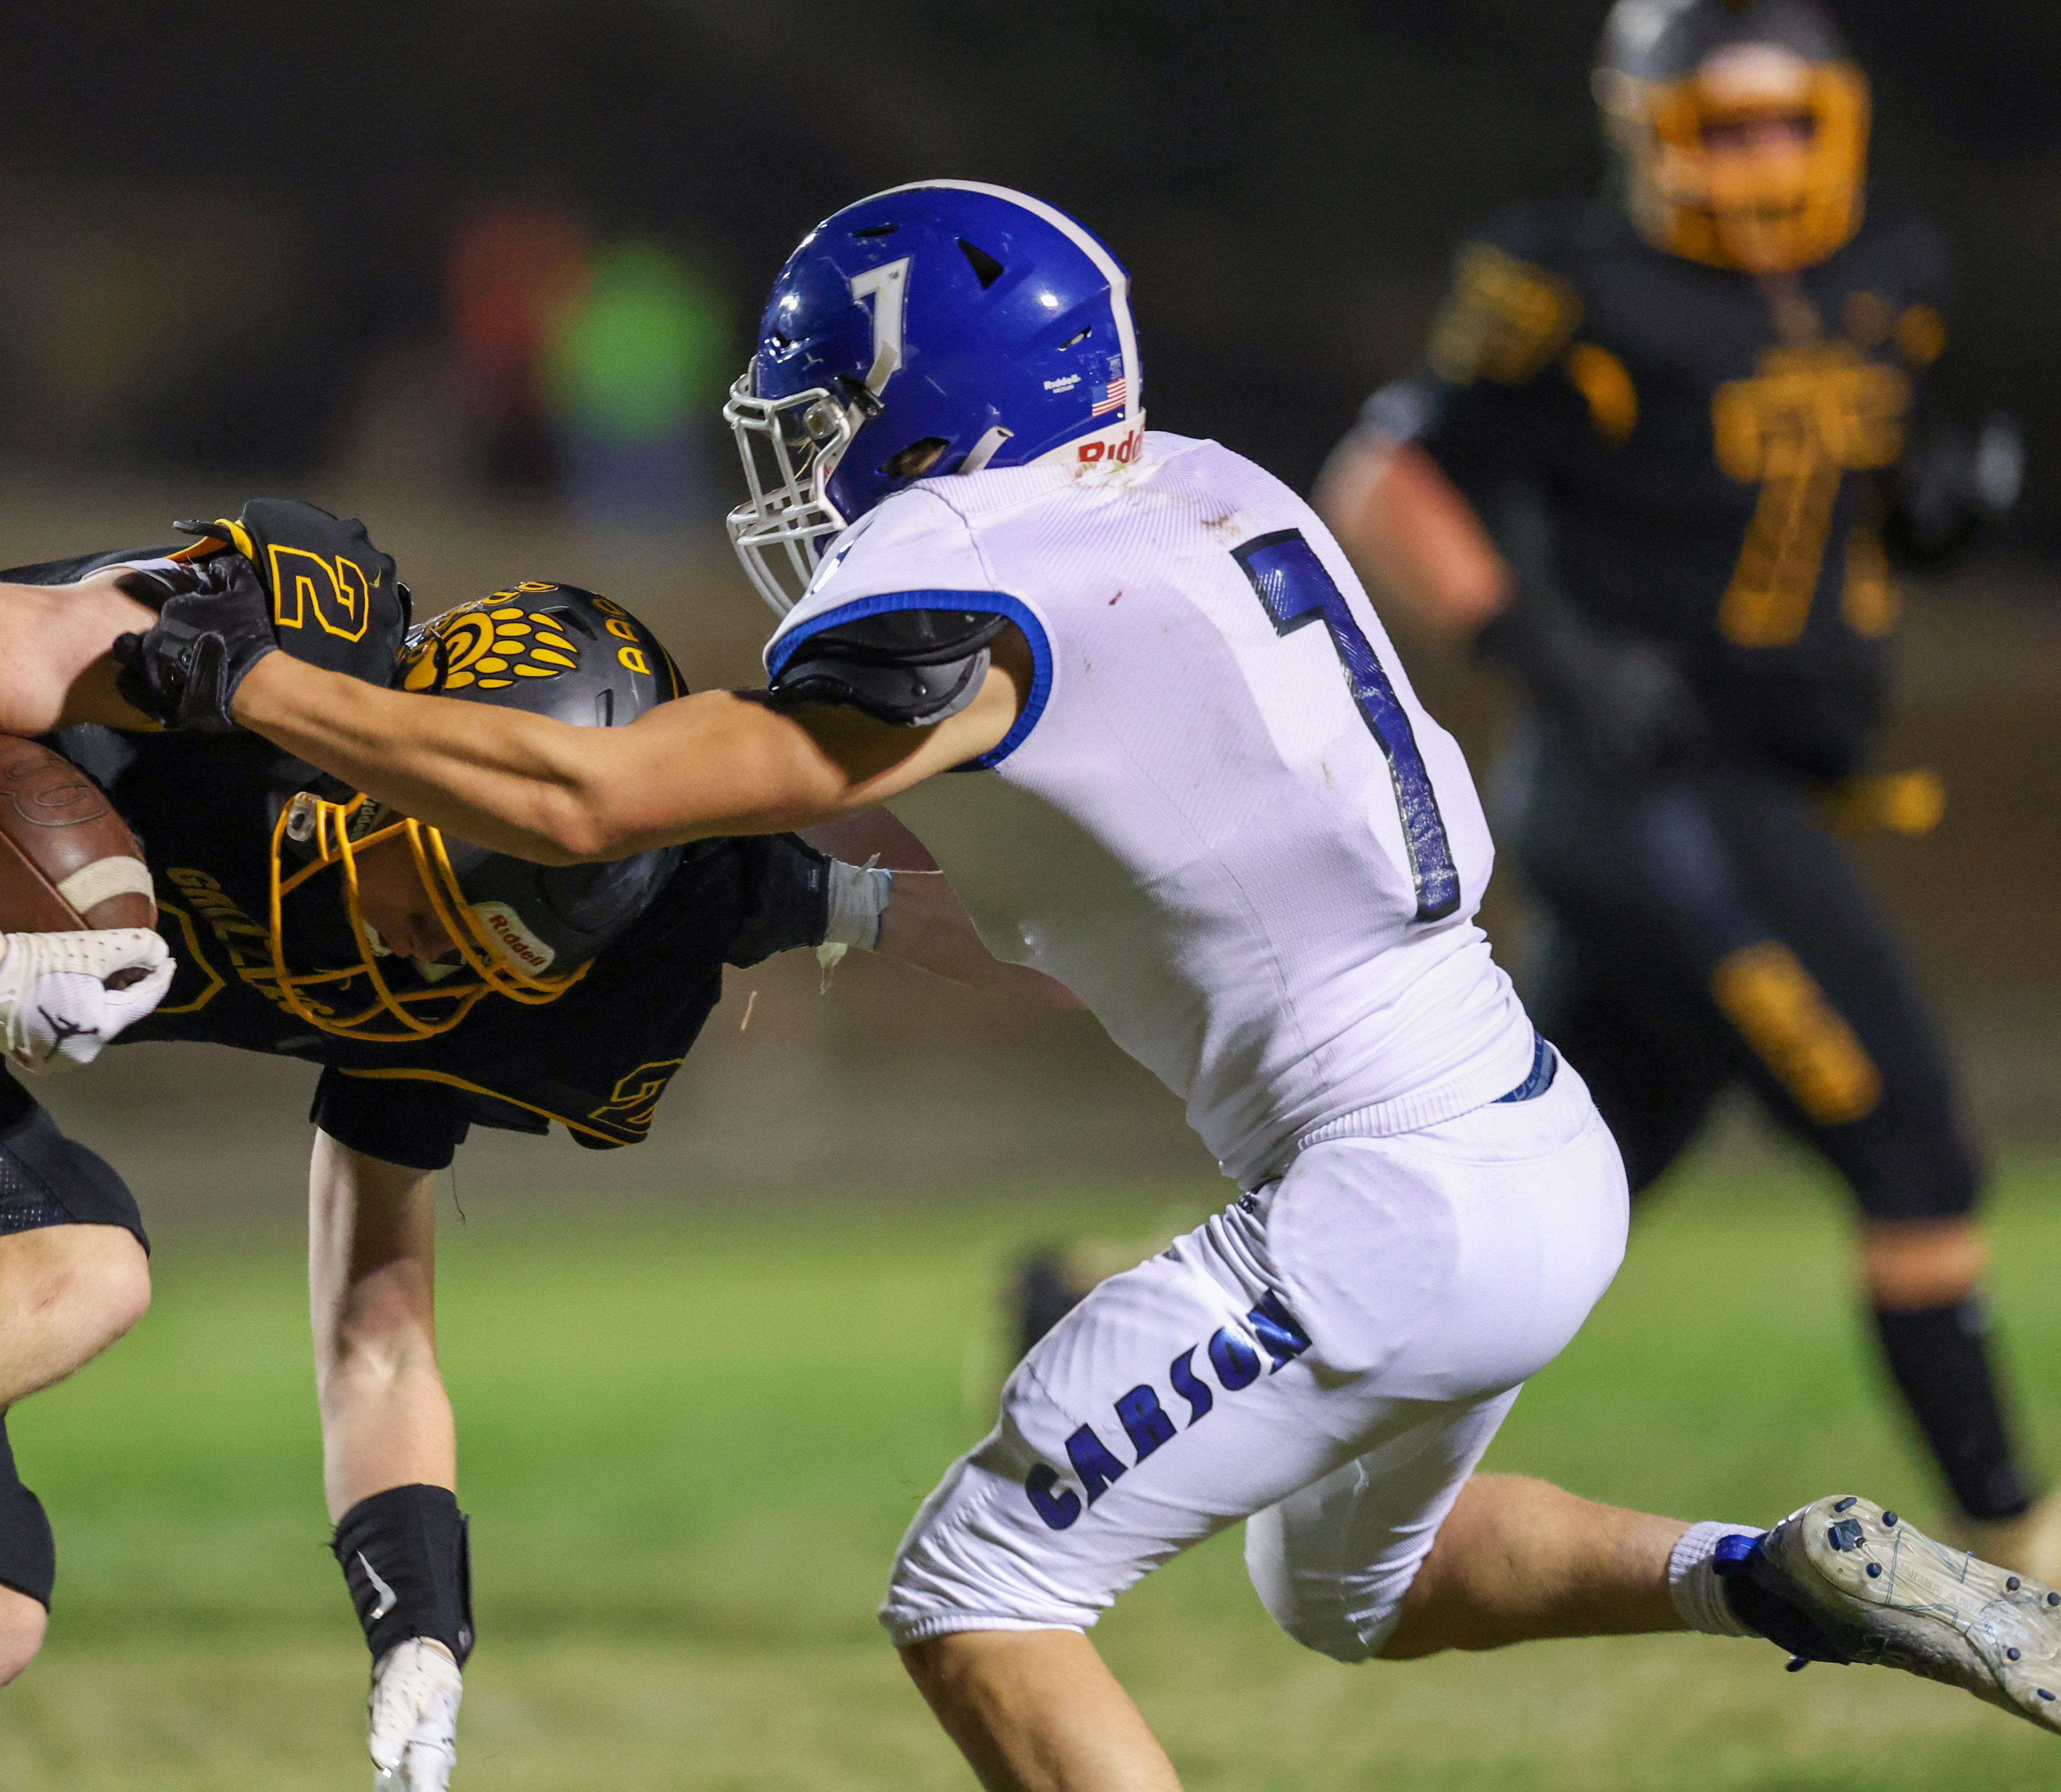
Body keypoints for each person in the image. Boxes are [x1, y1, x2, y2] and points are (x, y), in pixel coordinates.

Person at [109, 180, 2061, 1787]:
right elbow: (1090, 837)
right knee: (1353, 1593)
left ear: (930, 406)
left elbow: (583, 787)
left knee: (975, 1589)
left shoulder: (977, 573)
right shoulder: (1207, 486)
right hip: (1525, 1128)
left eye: (823, 409)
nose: (805, 459)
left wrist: (258, 688)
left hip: (1384, 1184)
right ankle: (1781, 1574)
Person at [0, 499, 1025, 1792]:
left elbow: (378, 1335)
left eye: (493, 962)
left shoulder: (506, 966)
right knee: (76, 1257)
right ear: (400, 782)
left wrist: (421, 1625)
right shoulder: (230, 653)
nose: (432, 969)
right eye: (443, 913)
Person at [1312, 0, 2047, 1579]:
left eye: (1792, 124)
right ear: (1649, 130)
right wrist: (1543, 650)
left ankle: (1152, 1328)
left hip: (1761, 780)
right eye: (1729, 126)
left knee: (1558, 1196)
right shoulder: (1574, 279)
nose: (1766, 160)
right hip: (1647, 793)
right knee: (1908, 1137)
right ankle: (2027, 1548)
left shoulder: (1886, 272)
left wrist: (1927, 519)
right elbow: (1390, 476)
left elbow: (1841, 512)